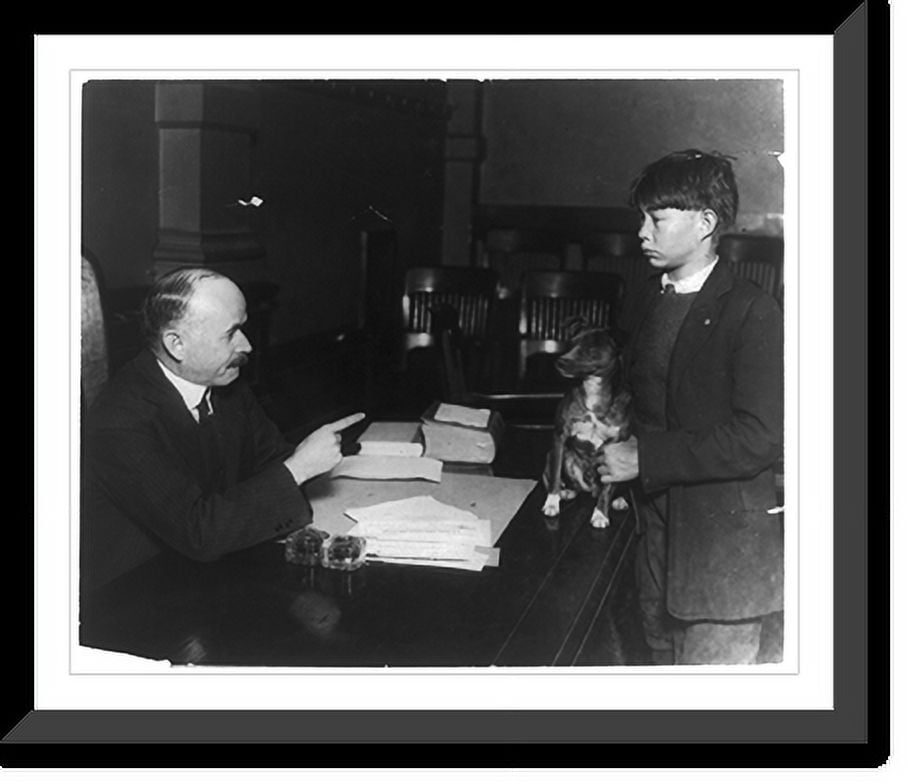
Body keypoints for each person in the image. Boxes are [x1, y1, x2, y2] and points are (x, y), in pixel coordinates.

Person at [599, 150, 783, 665]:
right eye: (641, 218)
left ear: (706, 223)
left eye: (656, 219)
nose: (642, 232)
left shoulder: (753, 311)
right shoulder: (644, 299)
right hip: (655, 545)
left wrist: (646, 458)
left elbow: (760, 437)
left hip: (723, 560)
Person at [80, 267, 364, 592]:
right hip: (134, 598)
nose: (247, 346)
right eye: (231, 334)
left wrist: (304, 462)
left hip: (207, 573)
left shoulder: (225, 387)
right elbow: (199, 532)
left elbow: (271, 462)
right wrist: (298, 467)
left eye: (243, 329)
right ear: (176, 344)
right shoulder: (120, 422)